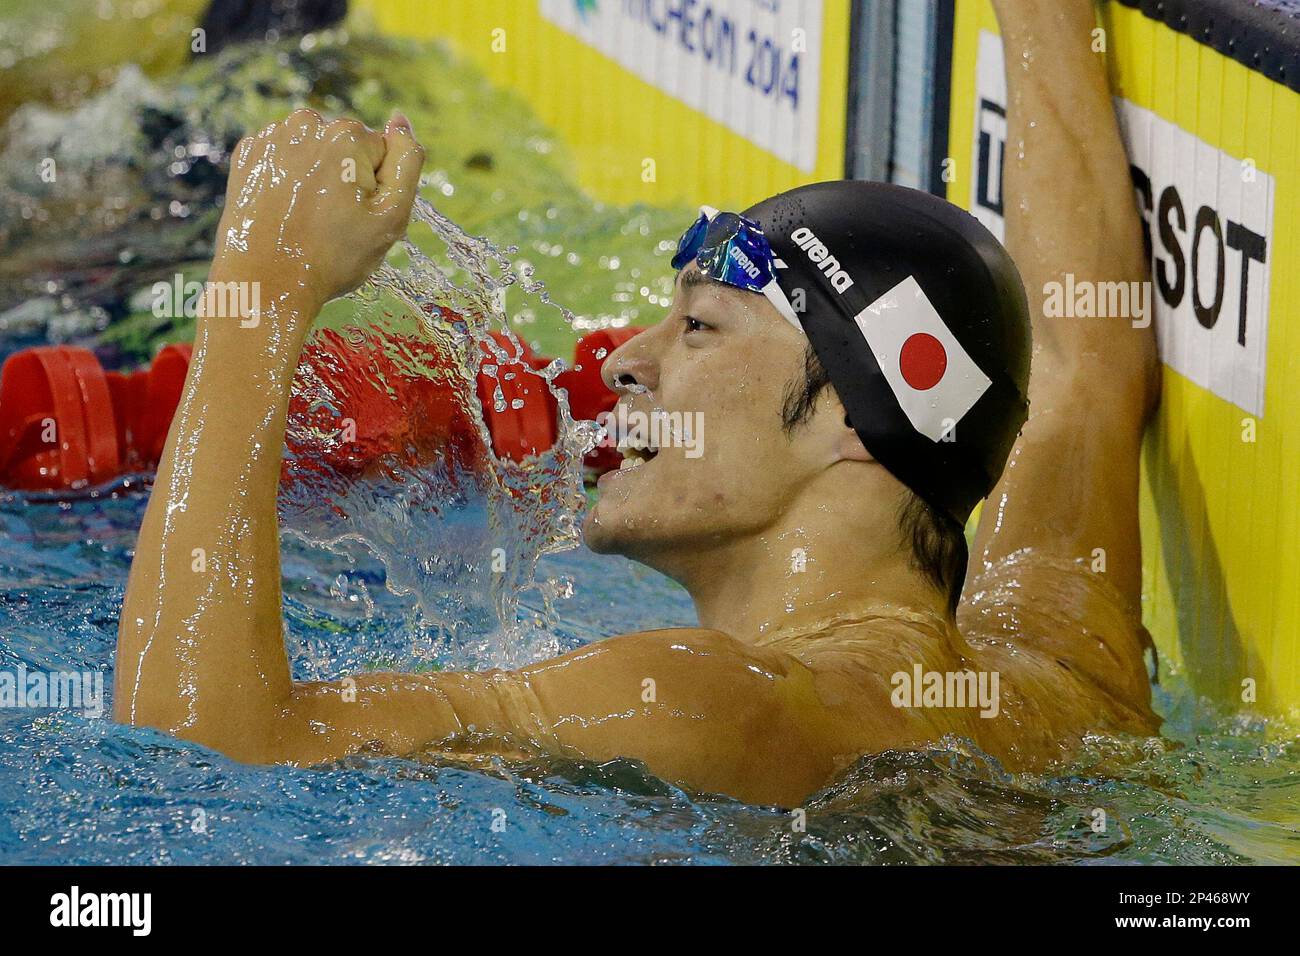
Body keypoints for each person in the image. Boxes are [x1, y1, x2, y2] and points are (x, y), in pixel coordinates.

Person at [114, 0, 1161, 807]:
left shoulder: (708, 697)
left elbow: (197, 752)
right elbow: (1081, 367)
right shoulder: (1053, 674)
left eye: (700, 327)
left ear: (852, 414)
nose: (623, 365)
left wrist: (260, 284)